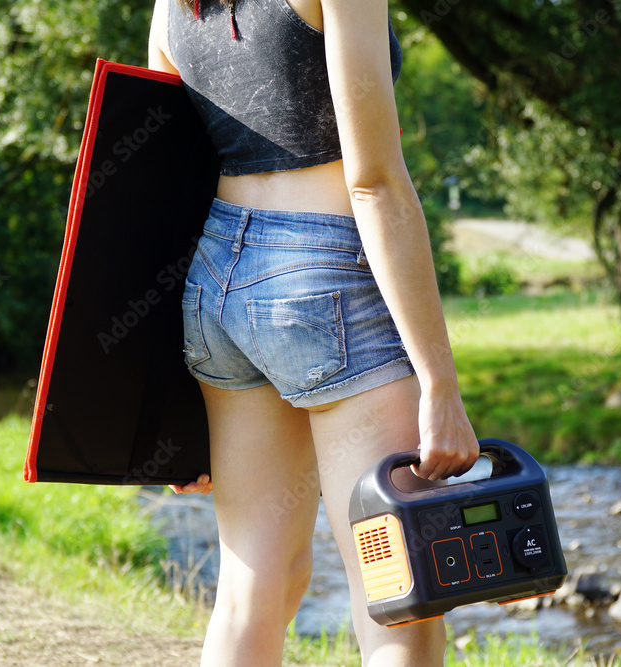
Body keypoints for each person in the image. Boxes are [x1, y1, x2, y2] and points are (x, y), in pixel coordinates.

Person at [147, 0, 480, 664]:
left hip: (216, 288)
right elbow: (375, 181)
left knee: (252, 589)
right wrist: (439, 383)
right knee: (399, 596)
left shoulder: (169, 6)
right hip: (324, 280)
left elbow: (163, 179)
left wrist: (166, 415)